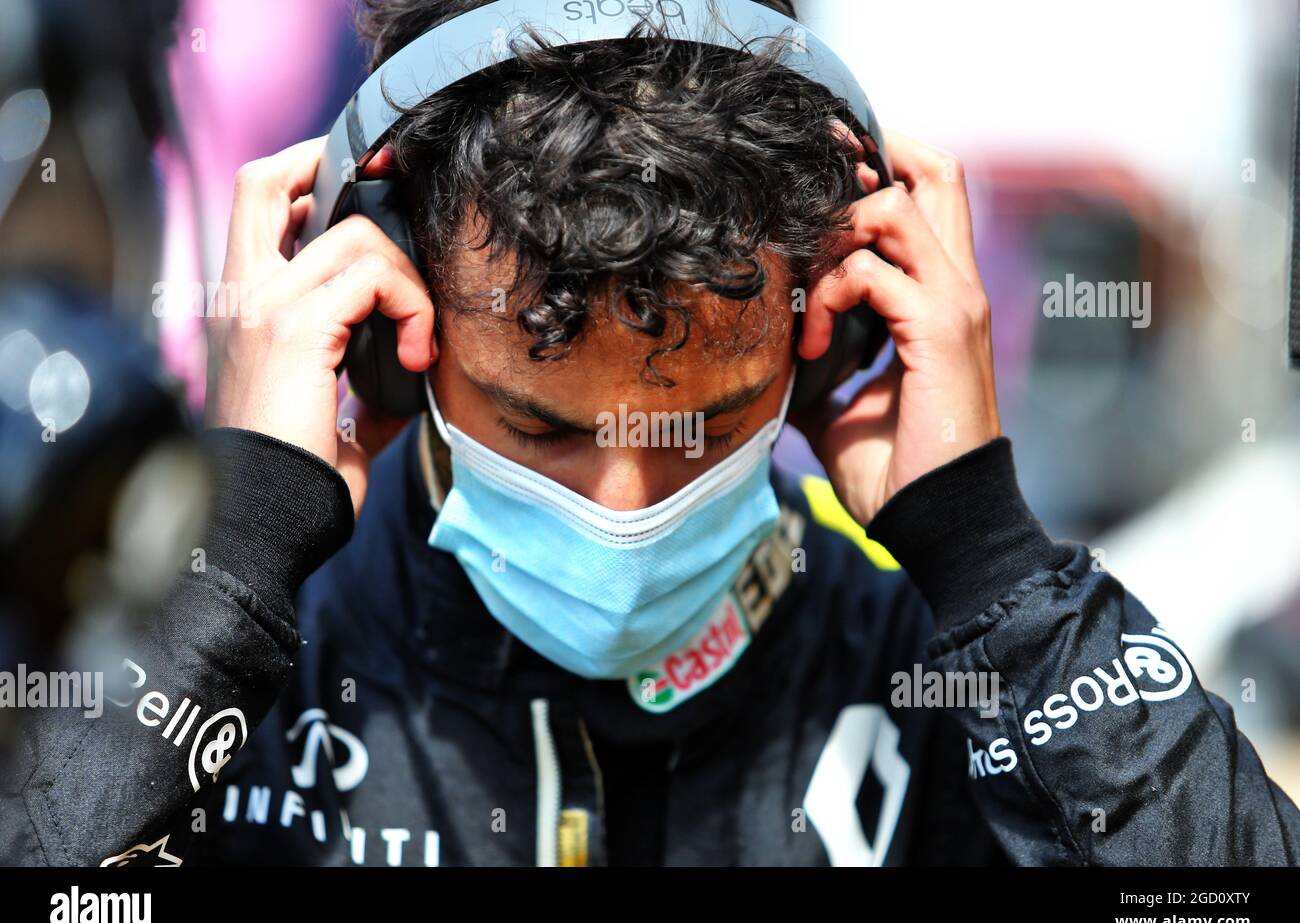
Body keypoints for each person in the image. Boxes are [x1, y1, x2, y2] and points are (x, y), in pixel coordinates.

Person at [5, 0, 1298, 867]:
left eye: (701, 428)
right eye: (542, 429)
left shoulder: (953, 683)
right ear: (377, 312)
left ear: (828, 328)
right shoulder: (242, 669)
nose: (624, 503)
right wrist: (228, 563)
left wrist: (992, 560)